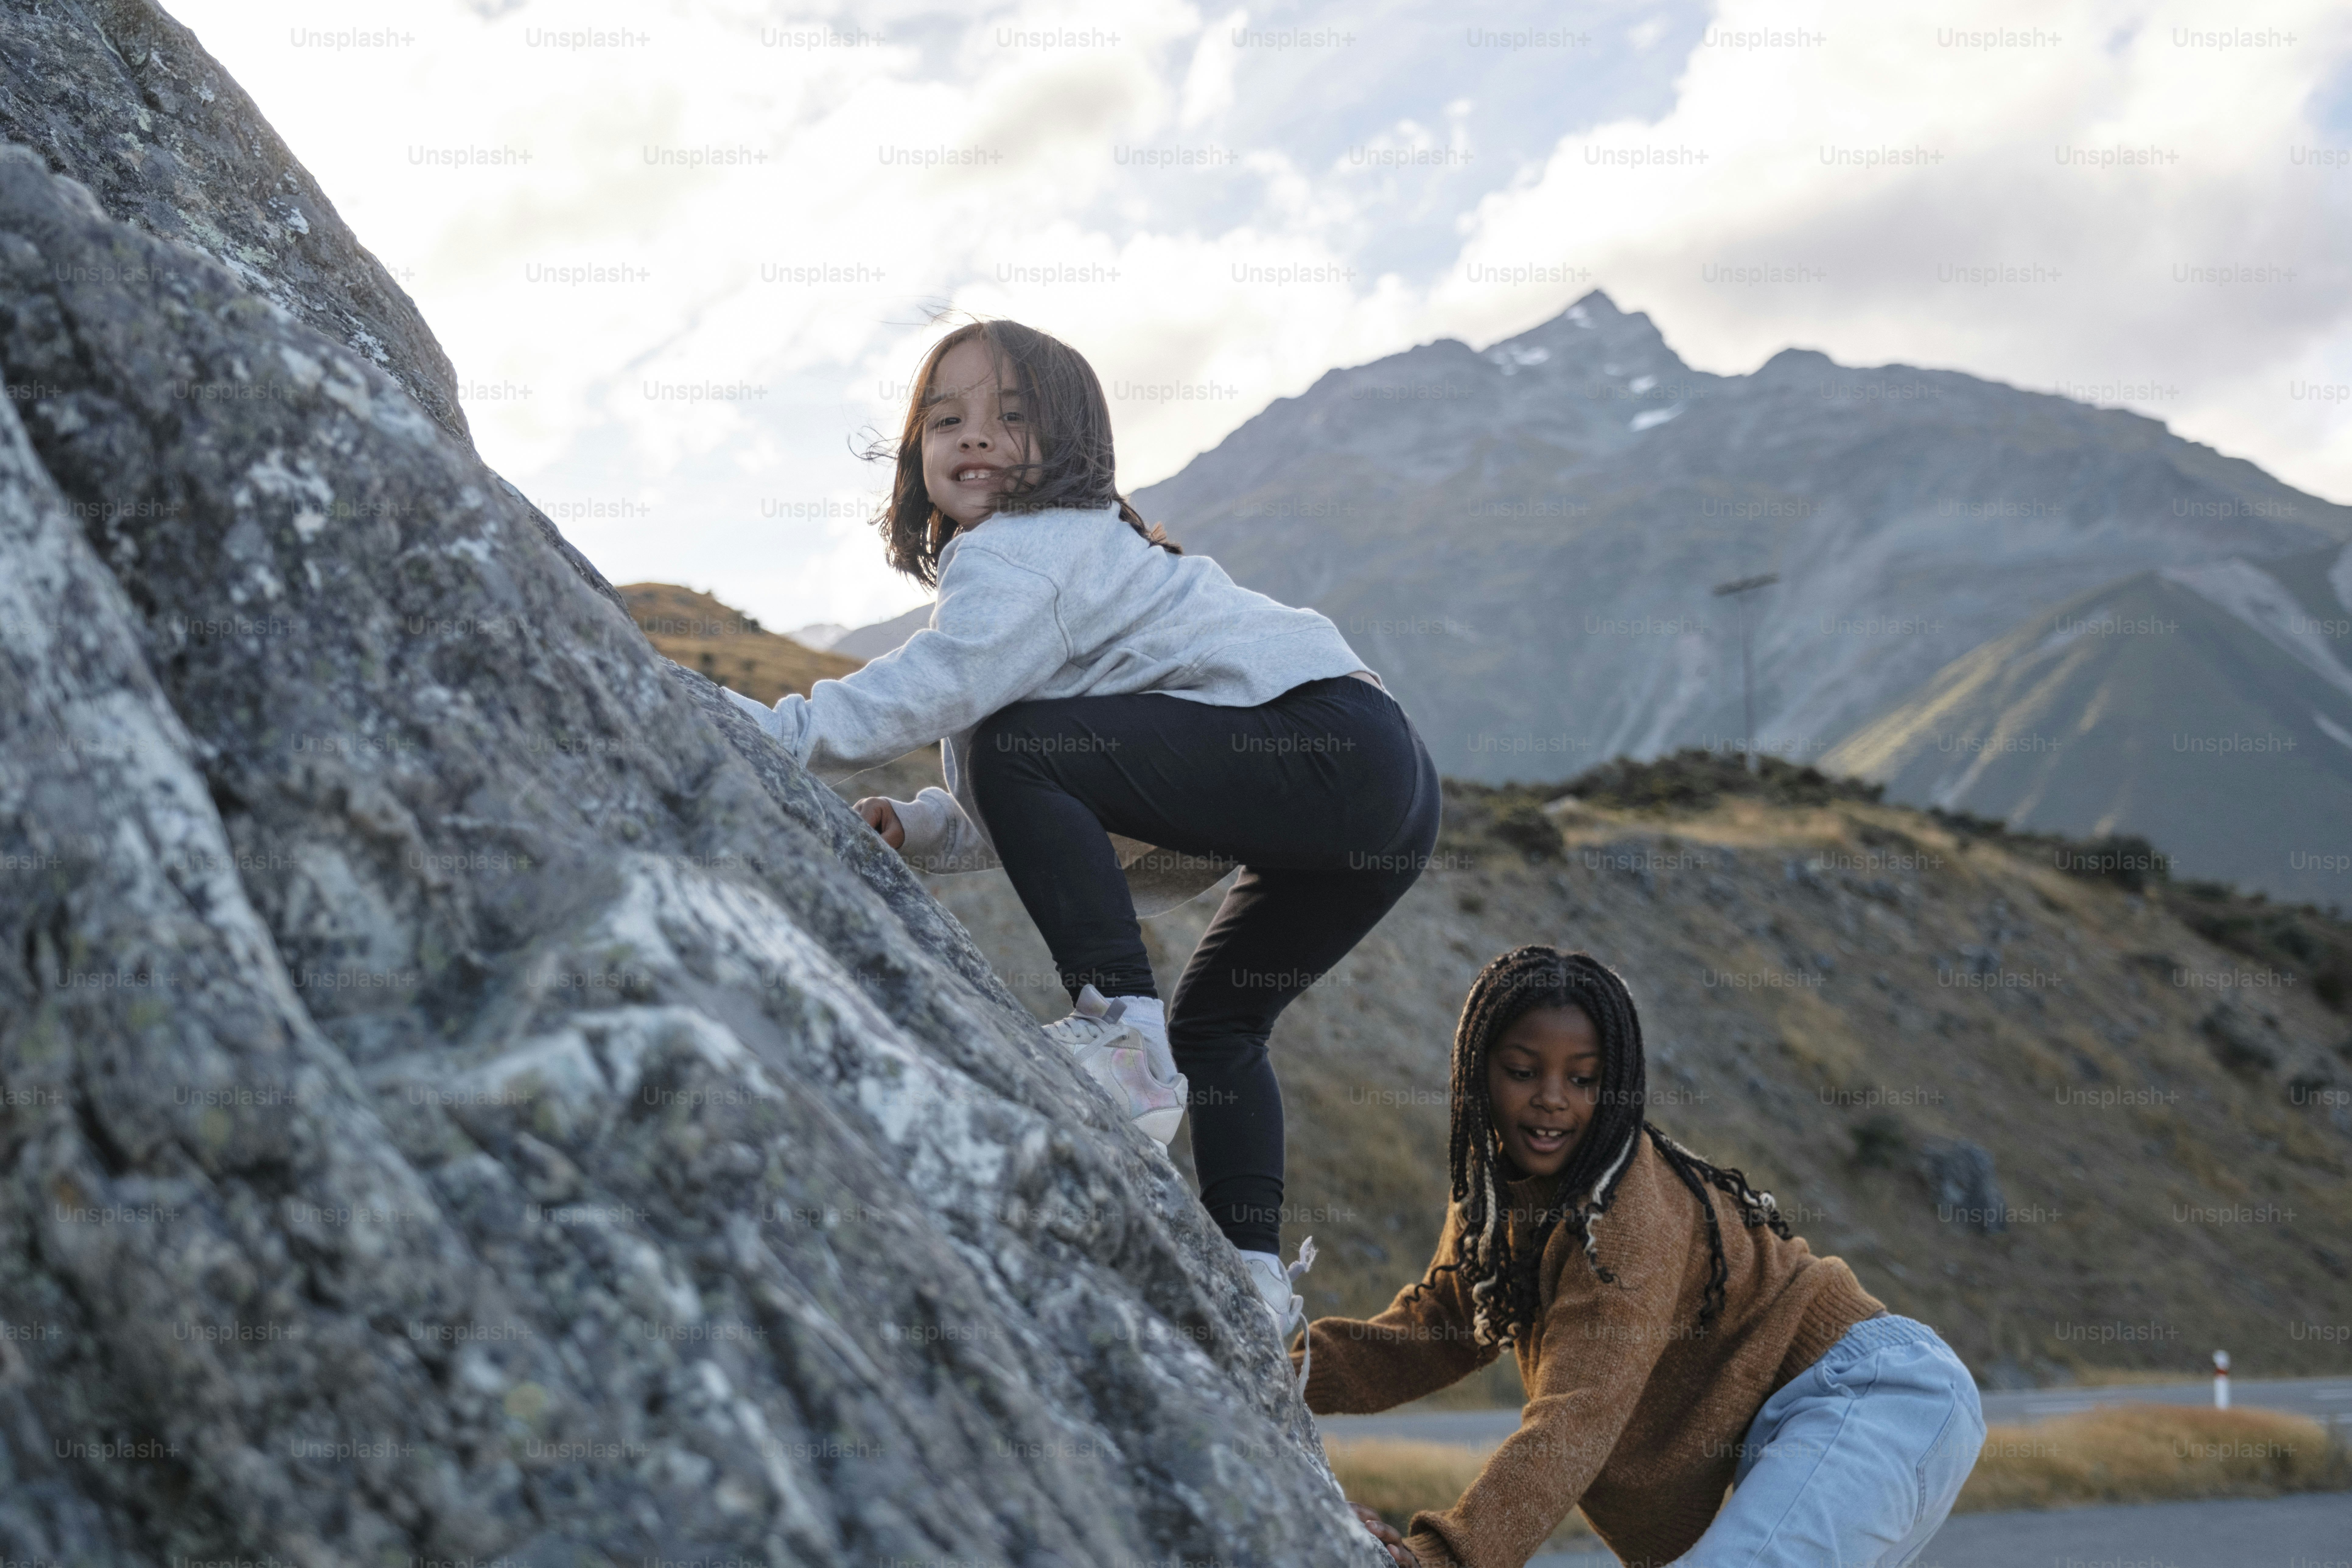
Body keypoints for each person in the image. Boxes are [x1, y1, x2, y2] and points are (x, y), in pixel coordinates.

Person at [721, 319, 1440, 1341]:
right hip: (1382, 779)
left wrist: (768, 733)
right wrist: (926, 832)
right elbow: (1059, 787)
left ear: (1069, 446)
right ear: (915, 456)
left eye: (1012, 418)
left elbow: (944, 702)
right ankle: (1251, 1288)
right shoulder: (1079, 557)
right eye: (946, 420)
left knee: (1022, 744)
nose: (974, 438)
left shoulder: (1026, 549)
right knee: (1220, 1028)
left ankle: (1115, 1037)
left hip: (1323, 742)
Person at [1305, 946, 1983, 1568]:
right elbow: (1441, 1328)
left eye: (1584, 1079)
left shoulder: (1621, 1214)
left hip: (1871, 1395)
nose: (1552, 1097)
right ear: (1475, 1070)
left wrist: (1445, 1557)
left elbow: (1579, 1412)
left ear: (1619, 1084)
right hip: (1786, 1433)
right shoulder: (1496, 1197)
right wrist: (1275, 1371)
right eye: (1522, 1070)